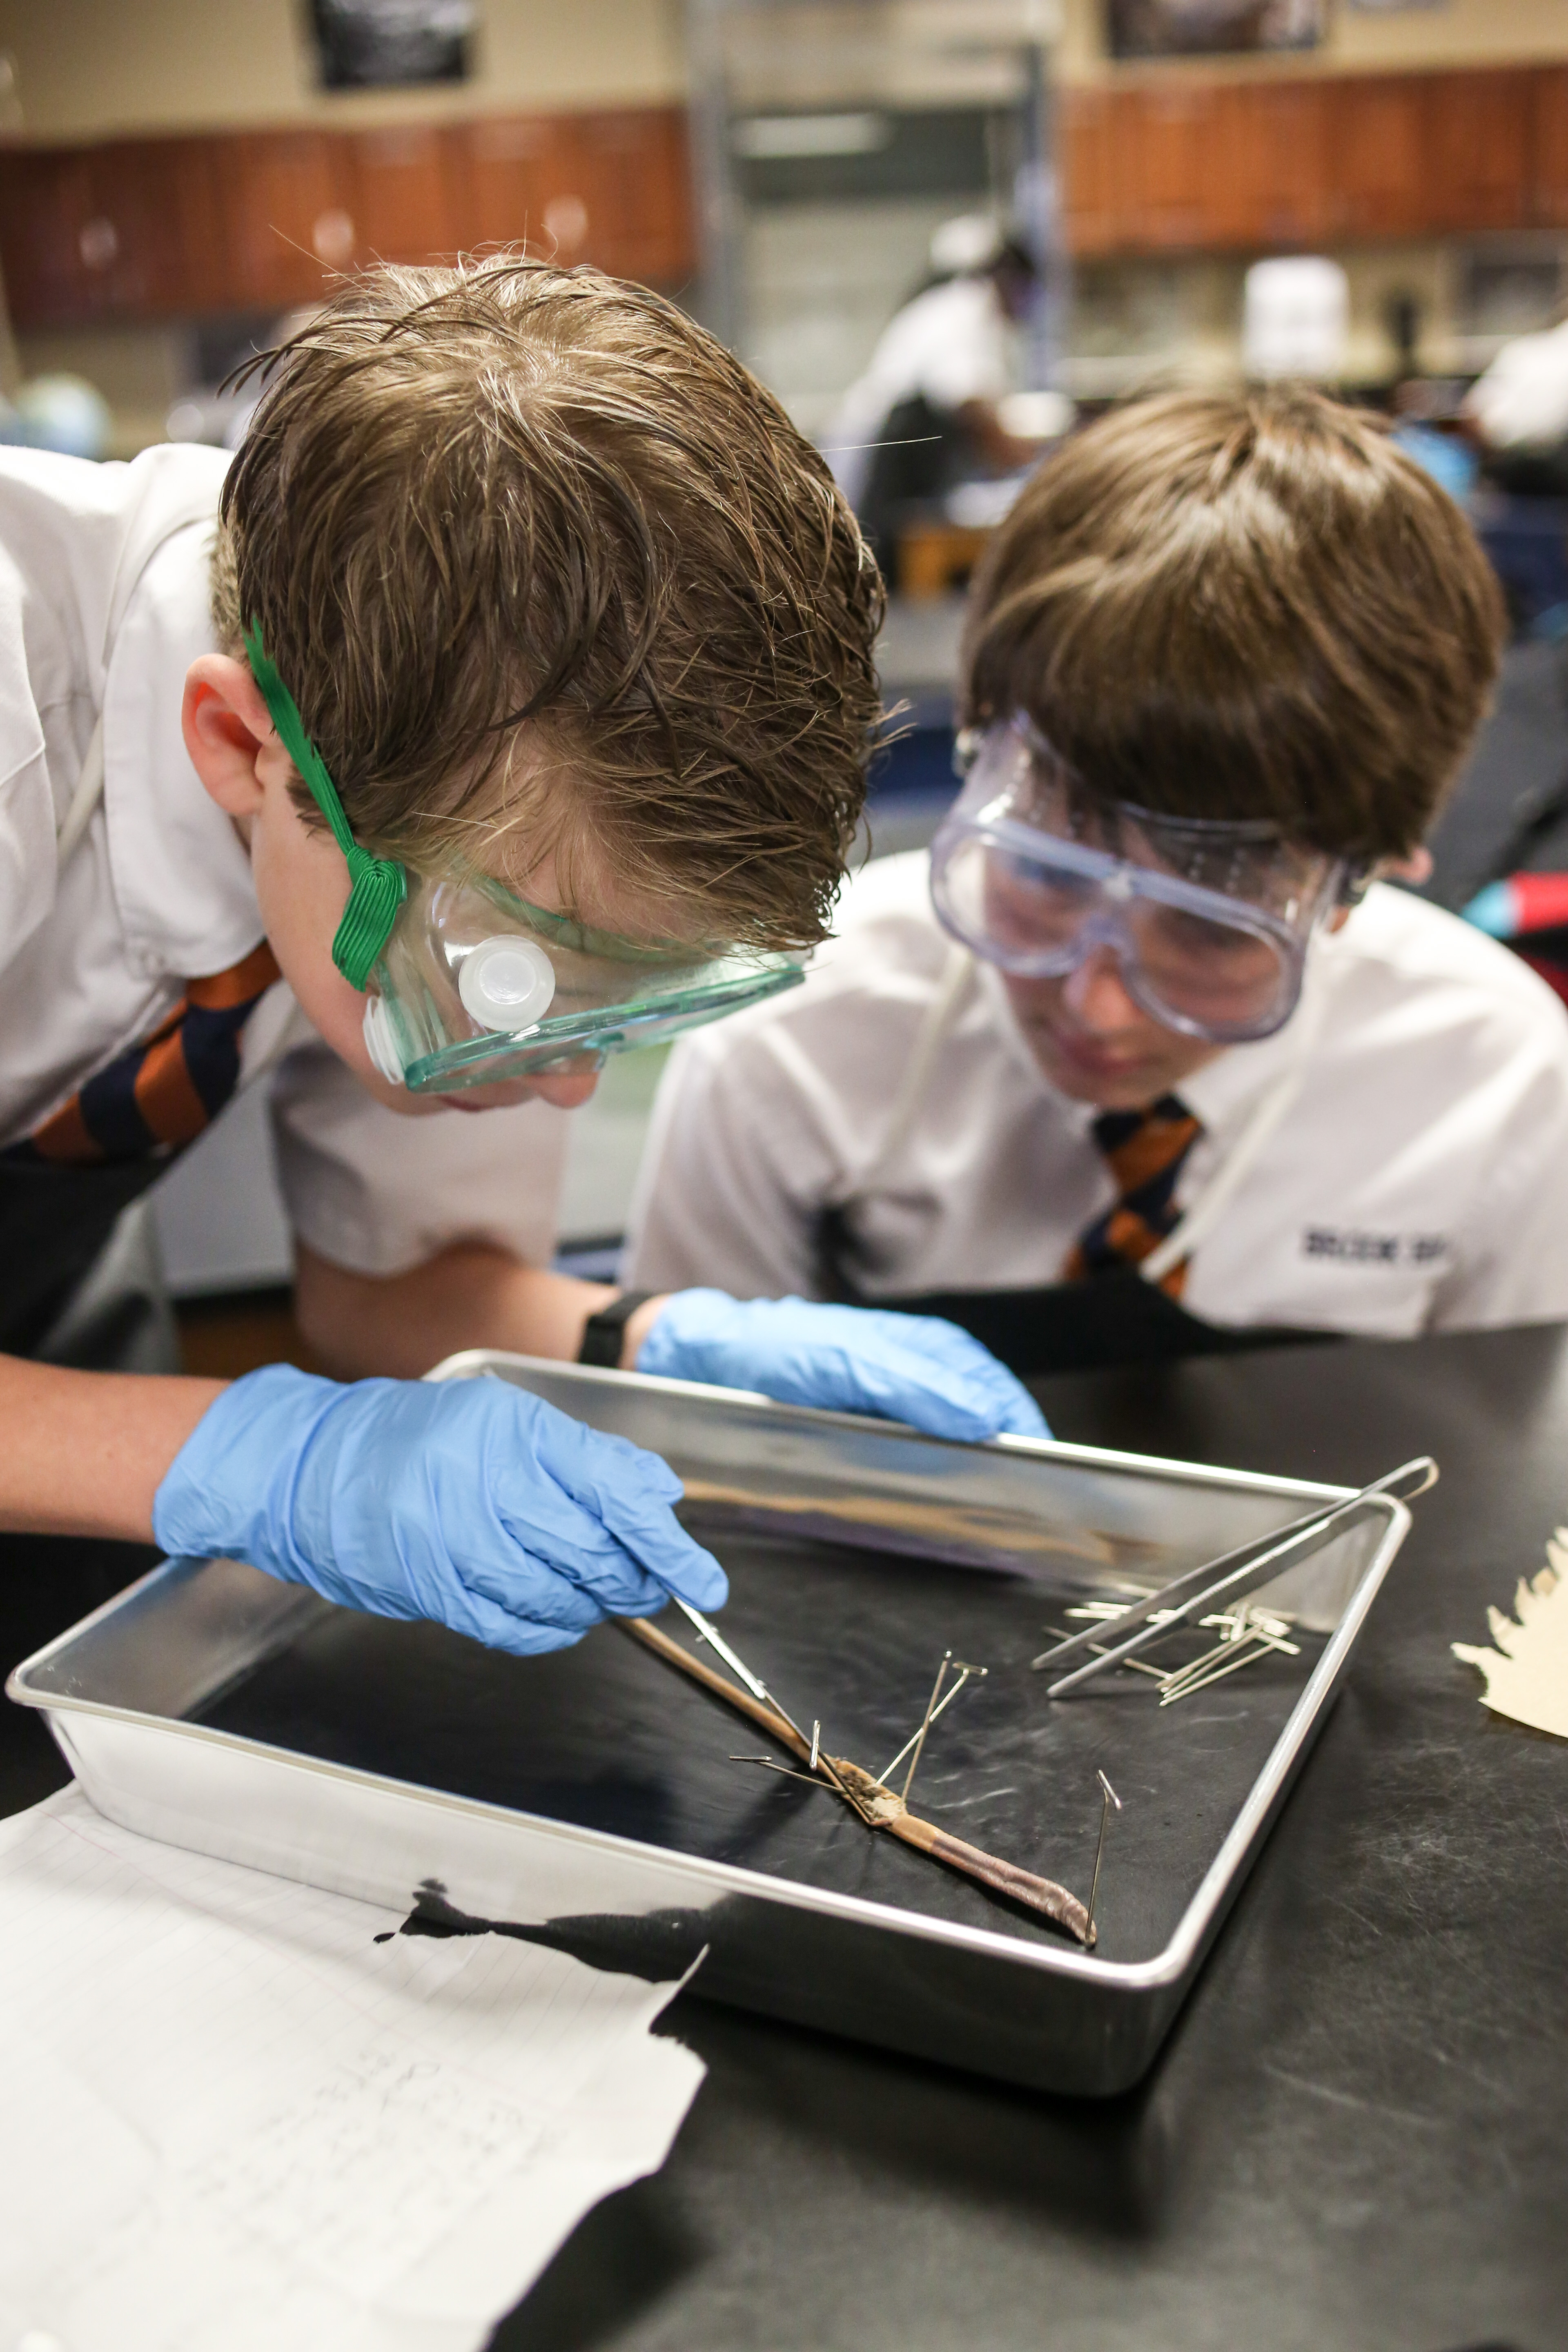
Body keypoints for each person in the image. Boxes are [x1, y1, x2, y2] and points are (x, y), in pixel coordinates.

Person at [0, 257, 1046, 1665]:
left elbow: (388, 1286)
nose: (566, 1095)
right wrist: (276, 1461)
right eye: (517, 983)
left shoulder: (446, 820)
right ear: (244, 747)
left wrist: (664, 1346)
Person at [625, 387, 1568, 1377]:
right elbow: (692, 1436)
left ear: (1370, 877)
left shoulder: (1494, 1080)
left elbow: (1512, 1478)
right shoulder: (796, 1034)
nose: (1097, 1003)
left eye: (1210, 930)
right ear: (974, 740)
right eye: (1043, 869)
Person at [822, 215, 1041, 572]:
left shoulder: (943, 306)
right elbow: (972, 404)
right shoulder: (965, 309)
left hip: (884, 463)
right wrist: (1033, 467)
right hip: (881, 470)